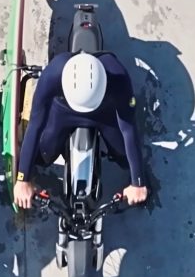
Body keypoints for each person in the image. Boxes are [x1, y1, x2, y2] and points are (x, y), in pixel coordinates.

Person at [13, 52, 148, 208]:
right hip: (64, 110)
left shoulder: (119, 76)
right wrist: (23, 178)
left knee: (125, 159)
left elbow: (128, 128)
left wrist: (138, 181)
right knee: (42, 158)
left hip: (103, 111)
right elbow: (36, 124)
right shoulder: (53, 73)